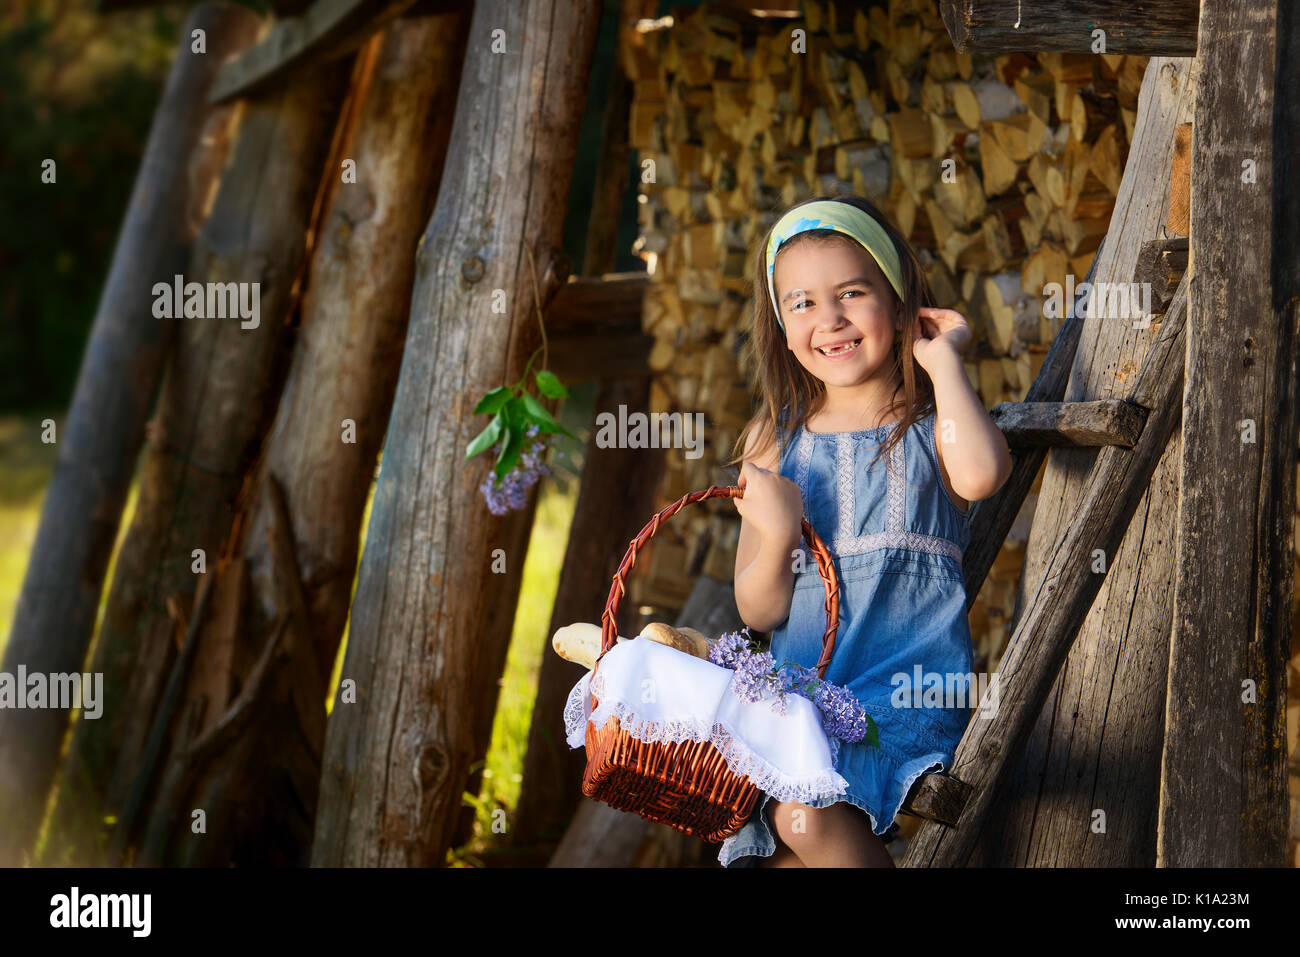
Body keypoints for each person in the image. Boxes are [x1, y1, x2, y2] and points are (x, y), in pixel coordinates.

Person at [718, 195, 1013, 868]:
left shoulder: (927, 422)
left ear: (901, 302)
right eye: (803, 303)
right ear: (782, 326)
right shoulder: (773, 441)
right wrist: (780, 528)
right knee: (781, 847)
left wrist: (944, 363)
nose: (830, 319)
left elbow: (983, 474)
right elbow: (759, 608)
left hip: (907, 692)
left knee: (802, 813)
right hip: (801, 702)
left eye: (852, 292)